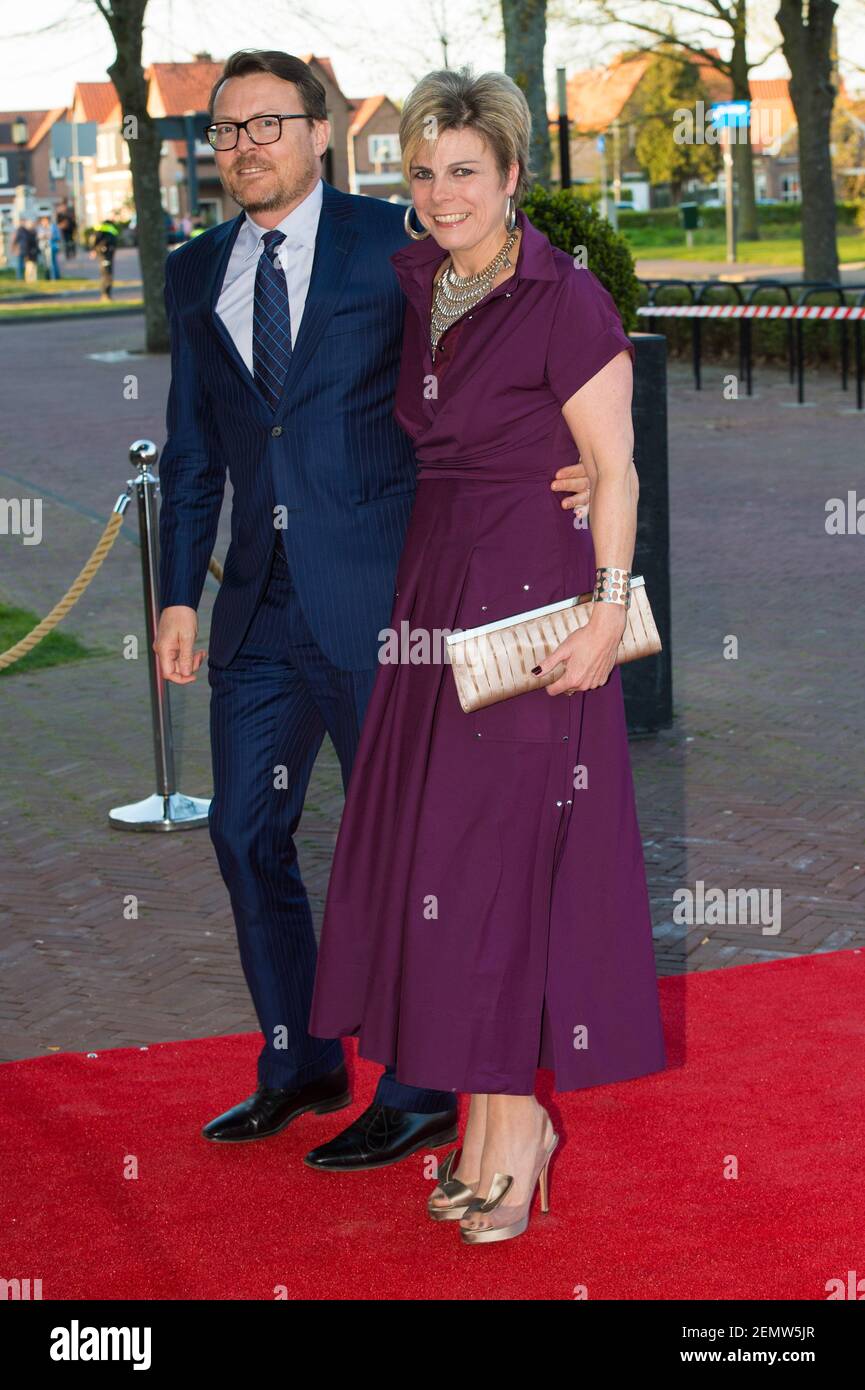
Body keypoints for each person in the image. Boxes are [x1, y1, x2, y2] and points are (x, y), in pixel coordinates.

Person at [153, 50, 592, 1174]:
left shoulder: (390, 243)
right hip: (255, 606)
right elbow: (199, 445)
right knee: (243, 829)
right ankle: (297, 1059)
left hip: (394, 601)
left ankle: (421, 1087)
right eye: (226, 130)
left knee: (404, 851)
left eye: (267, 124)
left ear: (320, 132)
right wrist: (173, 592)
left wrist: (583, 454)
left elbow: (494, 346)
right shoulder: (195, 268)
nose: (244, 147)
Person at [308, 67, 667, 1242]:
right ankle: (482, 1121)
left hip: (533, 610)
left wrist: (608, 611)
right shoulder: (422, 281)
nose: (441, 190)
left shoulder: (564, 299)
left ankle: (520, 1130)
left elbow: (611, 468)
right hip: (432, 600)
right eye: (422, 172)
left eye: (464, 169)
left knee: (504, 871)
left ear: (513, 177)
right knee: (443, 868)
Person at [89, 216, 119, 300]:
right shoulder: (107, 228)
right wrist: (94, 250)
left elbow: (94, 239)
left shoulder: (105, 228)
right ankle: (106, 294)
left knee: (107, 273)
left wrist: (94, 249)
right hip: (105, 254)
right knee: (107, 274)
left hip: (106, 254)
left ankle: (106, 294)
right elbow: (96, 239)